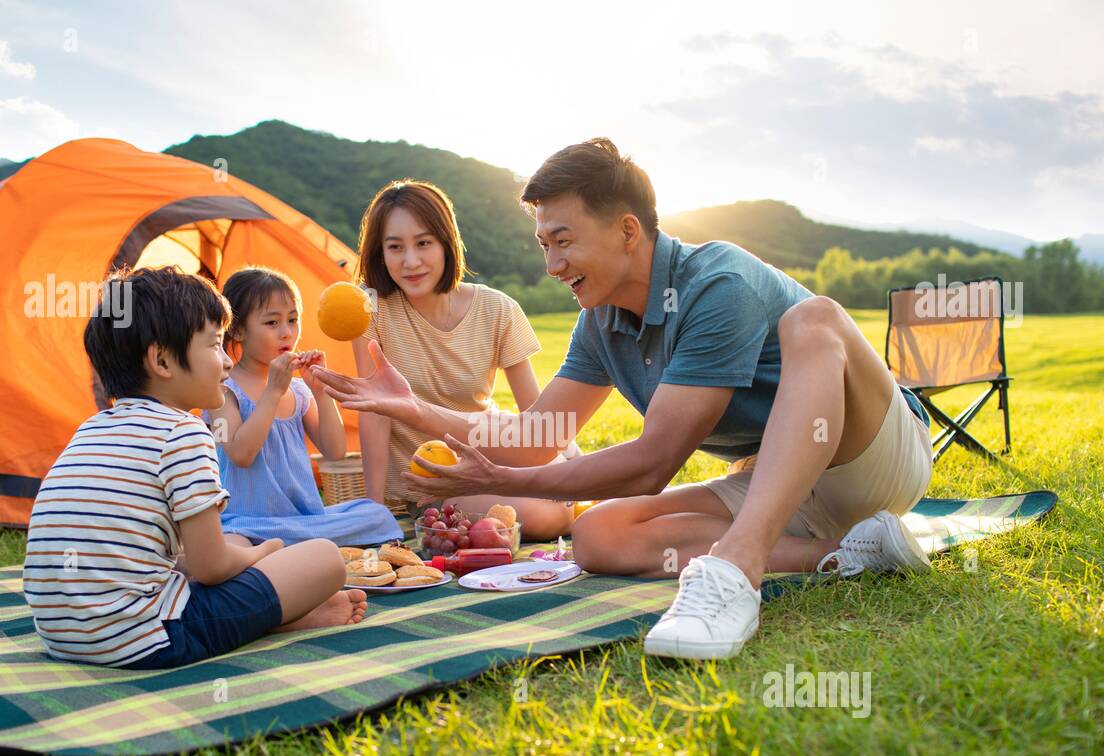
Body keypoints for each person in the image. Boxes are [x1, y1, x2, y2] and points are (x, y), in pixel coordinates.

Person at [313, 139, 934, 661]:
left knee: (814, 320)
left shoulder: (716, 282)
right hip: (782, 484)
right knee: (599, 534)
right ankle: (850, 554)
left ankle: (735, 569)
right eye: (542, 245)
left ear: (628, 230)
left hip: (870, 456)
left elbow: (653, 462)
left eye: (563, 241)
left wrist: (503, 480)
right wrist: (413, 409)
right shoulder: (601, 321)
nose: (552, 264)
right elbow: (538, 435)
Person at [22, 266, 366, 669]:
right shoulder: (183, 431)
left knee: (222, 568)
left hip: (61, 637)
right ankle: (277, 617)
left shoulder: (92, 428)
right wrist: (267, 551)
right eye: (215, 345)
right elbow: (212, 567)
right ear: (163, 361)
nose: (224, 362)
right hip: (151, 638)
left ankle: (280, 614)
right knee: (324, 558)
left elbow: (186, 561)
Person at [352, 179, 576, 541]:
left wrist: (559, 468)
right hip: (431, 480)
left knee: (568, 500)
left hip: (491, 460)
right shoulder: (371, 308)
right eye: (395, 247)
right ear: (380, 253)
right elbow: (375, 412)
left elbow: (535, 415)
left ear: (446, 242)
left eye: (423, 243)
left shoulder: (497, 308)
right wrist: (374, 509)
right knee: (543, 517)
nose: (410, 262)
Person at [205, 266, 403, 547]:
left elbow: (335, 451)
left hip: (304, 522)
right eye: (272, 323)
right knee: (233, 545)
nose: (287, 333)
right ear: (236, 331)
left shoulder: (298, 390)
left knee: (376, 514)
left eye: (293, 320)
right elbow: (240, 454)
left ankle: (290, 551)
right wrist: (272, 392)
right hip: (245, 523)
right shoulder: (223, 390)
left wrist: (320, 392)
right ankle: (291, 554)